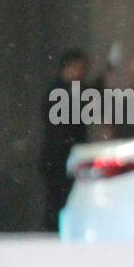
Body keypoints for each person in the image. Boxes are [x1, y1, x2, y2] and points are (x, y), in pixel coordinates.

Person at [40, 49, 93, 232]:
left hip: (62, 156)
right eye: (81, 68)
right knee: (59, 201)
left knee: (60, 201)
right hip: (59, 157)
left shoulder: (68, 90)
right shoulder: (59, 92)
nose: (83, 73)